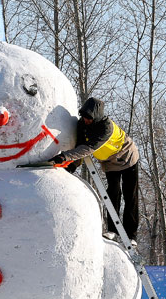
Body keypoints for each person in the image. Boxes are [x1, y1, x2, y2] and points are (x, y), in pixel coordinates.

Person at [50, 96, 140, 244]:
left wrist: (64, 157)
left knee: (130, 196)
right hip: (110, 162)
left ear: (96, 117)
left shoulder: (106, 128)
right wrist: (71, 166)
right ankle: (112, 230)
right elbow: (79, 146)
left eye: (89, 118)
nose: (86, 120)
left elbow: (88, 148)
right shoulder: (82, 125)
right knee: (113, 193)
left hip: (127, 156)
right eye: (84, 117)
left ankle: (131, 235)